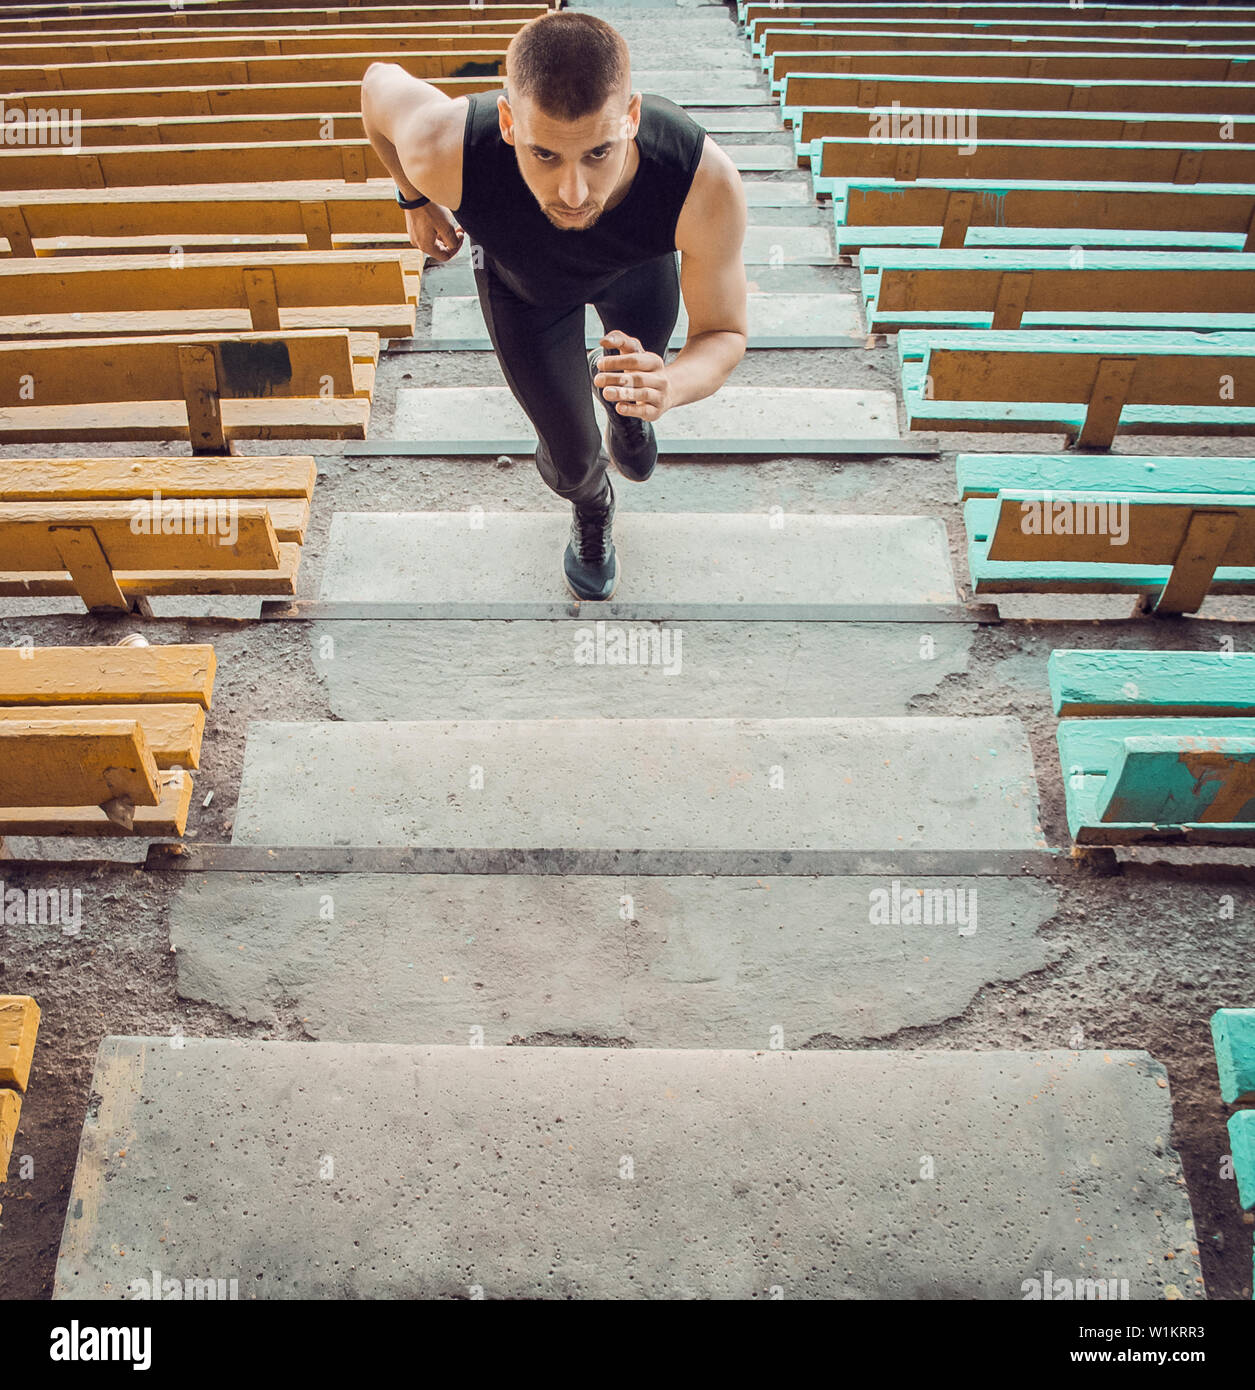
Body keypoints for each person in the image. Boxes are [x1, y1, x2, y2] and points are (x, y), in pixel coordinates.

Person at [361, 9, 748, 600]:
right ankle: (593, 506)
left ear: (632, 118)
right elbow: (376, 85)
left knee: (637, 392)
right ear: (510, 123)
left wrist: (667, 386)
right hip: (524, 291)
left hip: (636, 274)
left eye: (598, 153)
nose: (573, 194)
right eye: (545, 155)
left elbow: (723, 331)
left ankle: (627, 414)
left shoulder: (699, 179)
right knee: (570, 459)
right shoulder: (445, 147)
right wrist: (412, 198)